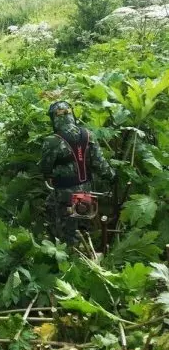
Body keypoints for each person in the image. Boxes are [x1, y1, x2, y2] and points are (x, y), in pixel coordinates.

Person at [40, 101, 115, 245]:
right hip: (85, 190)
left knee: (65, 232)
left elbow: (45, 168)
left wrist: (49, 175)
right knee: (82, 224)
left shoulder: (52, 141)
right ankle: (86, 251)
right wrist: (112, 176)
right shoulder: (87, 135)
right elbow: (100, 164)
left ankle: (69, 258)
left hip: (64, 194)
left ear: (54, 119)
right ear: (72, 116)